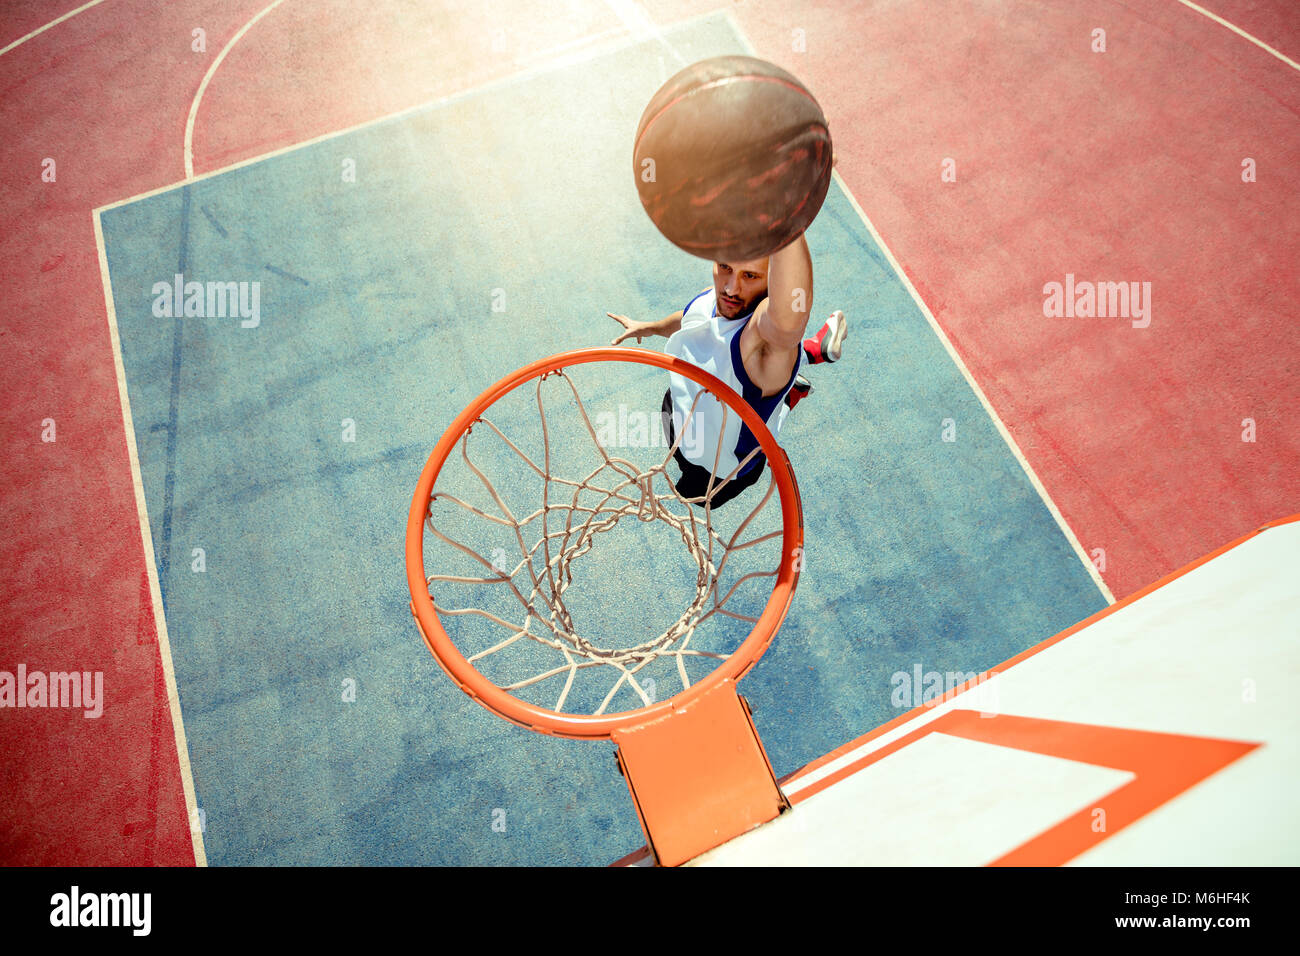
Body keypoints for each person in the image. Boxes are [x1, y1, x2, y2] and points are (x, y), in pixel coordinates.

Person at [607, 234, 846, 507]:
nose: (731, 288)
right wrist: (649, 327)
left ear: (773, 283)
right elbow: (688, 319)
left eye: (751, 276)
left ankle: (788, 394)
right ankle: (812, 353)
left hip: (723, 472)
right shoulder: (713, 299)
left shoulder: (758, 337)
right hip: (682, 417)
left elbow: (789, 320)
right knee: (670, 406)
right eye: (725, 268)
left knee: (699, 499)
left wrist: (789, 227)